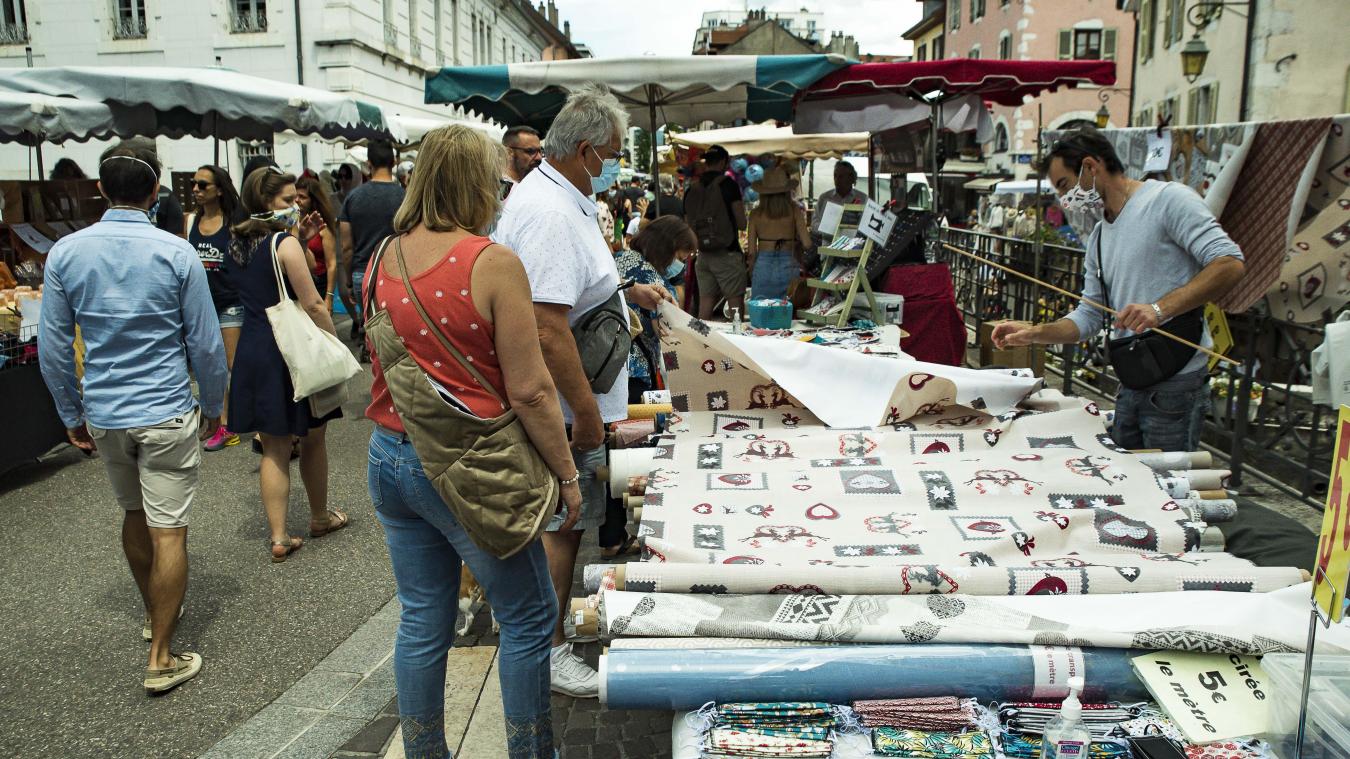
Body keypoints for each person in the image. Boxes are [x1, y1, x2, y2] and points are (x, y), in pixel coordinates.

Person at [364, 124, 580, 759]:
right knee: (528, 617)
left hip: (390, 454)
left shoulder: (383, 256)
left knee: (422, 616)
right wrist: (567, 475)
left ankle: (425, 753)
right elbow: (531, 391)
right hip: (470, 470)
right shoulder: (491, 261)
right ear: (479, 184)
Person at [492, 84, 671, 698]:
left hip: (571, 400)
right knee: (563, 522)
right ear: (587, 150)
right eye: (613, 154)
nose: (615, 164)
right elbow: (547, 325)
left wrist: (625, 289)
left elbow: (574, 286)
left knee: (564, 520)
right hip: (566, 407)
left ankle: (541, 632)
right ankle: (545, 650)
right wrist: (588, 414)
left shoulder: (561, 196)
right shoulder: (549, 211)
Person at [39, 146, 227, 694]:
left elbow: (53, 345)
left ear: (101, 190)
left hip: (105, 409)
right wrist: (214, 403)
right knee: (169, 529)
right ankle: (162, 655)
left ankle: (154, 612)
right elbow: (205, 341)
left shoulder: (66, 252)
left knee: (133, 512)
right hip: (164, 405)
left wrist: (69, 410)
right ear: (155, 192)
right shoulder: (176, 251)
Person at [992, 129, 1245, 452]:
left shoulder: (1167, 200)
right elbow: (1089, 317)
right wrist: (1034, 333)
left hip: (1176, 382)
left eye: (1065, 185)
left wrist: (1159, 309)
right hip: (1132, 378)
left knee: (1167, 478)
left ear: (1090, 166)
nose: (1064, 198)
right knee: (1129, 473)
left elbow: (1229, 264)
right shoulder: (1099, 235)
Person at [226, 167, 350, 563]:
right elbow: (312, 303)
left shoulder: (237, 243)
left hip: (255, 347)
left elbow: (272, 274)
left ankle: (279, 536)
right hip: (292, 349)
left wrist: (300, 237)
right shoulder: (284, 243)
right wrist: (332, 342)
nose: (296, 204)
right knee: (314, 437)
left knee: (274, 448)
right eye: (287, 199)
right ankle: (319, 516)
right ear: (265, 202)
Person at [187, 165, 247, 451]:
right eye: (194, 183)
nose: (196, 189)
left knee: (232, 365)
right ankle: (219, 419)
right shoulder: (191, 221)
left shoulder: (233, 222)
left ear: (220, 190)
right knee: (210, 364)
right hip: (200, 305)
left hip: (230, 302)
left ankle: (228, 423)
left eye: (203, 185)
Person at [340, 139, 404, 360]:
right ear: (394, 162)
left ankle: (371, 357)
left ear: (369, 164)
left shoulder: (353, 198)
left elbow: (346, 247)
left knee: (371, 328)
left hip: (362, 272)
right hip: (396, 272)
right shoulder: (405, 197)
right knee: (396, 334)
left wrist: (349, 282)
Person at [684, 145, 747, 321]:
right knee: (735, 306)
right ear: (724, 162)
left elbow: (687, 225)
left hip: (703, 256)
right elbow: (742, 223)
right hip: (727, 254)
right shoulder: (729, 185)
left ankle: (700, 336)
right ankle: (736, 336)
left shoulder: (692, 188)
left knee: (705, 306)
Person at [747, 167, 811, 301]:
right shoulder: (794, 211)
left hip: (763, 268)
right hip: (789, 266)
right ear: (786, 190)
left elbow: (752, 252)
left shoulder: (755, 214)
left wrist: (752, 271)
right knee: (787, 310)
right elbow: (807, 243)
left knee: (761, 310)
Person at [296, 174, 338, 312]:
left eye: (302, 197)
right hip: (296, 281)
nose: (297, 200)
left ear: (313, 200)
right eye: (296, 196)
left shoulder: (322, 227)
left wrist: (329, 297)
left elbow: (331, 264)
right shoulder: (291, 222)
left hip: (318, 283)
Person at [811, 161, 869, 233]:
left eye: (841, 176)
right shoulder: (824, 198)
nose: (837, 179)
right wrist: (828, 229)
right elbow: (814, 223)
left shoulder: (863, 199)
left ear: (851, 178)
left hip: (854, 239)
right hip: (827, 239)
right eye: (835, 175)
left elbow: (867, 225)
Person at [501, 125, 543, 199]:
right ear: (509, 152)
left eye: (540, 151)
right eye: (530, 151)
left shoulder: (534, 184)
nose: (539, 157)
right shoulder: (501, 189)